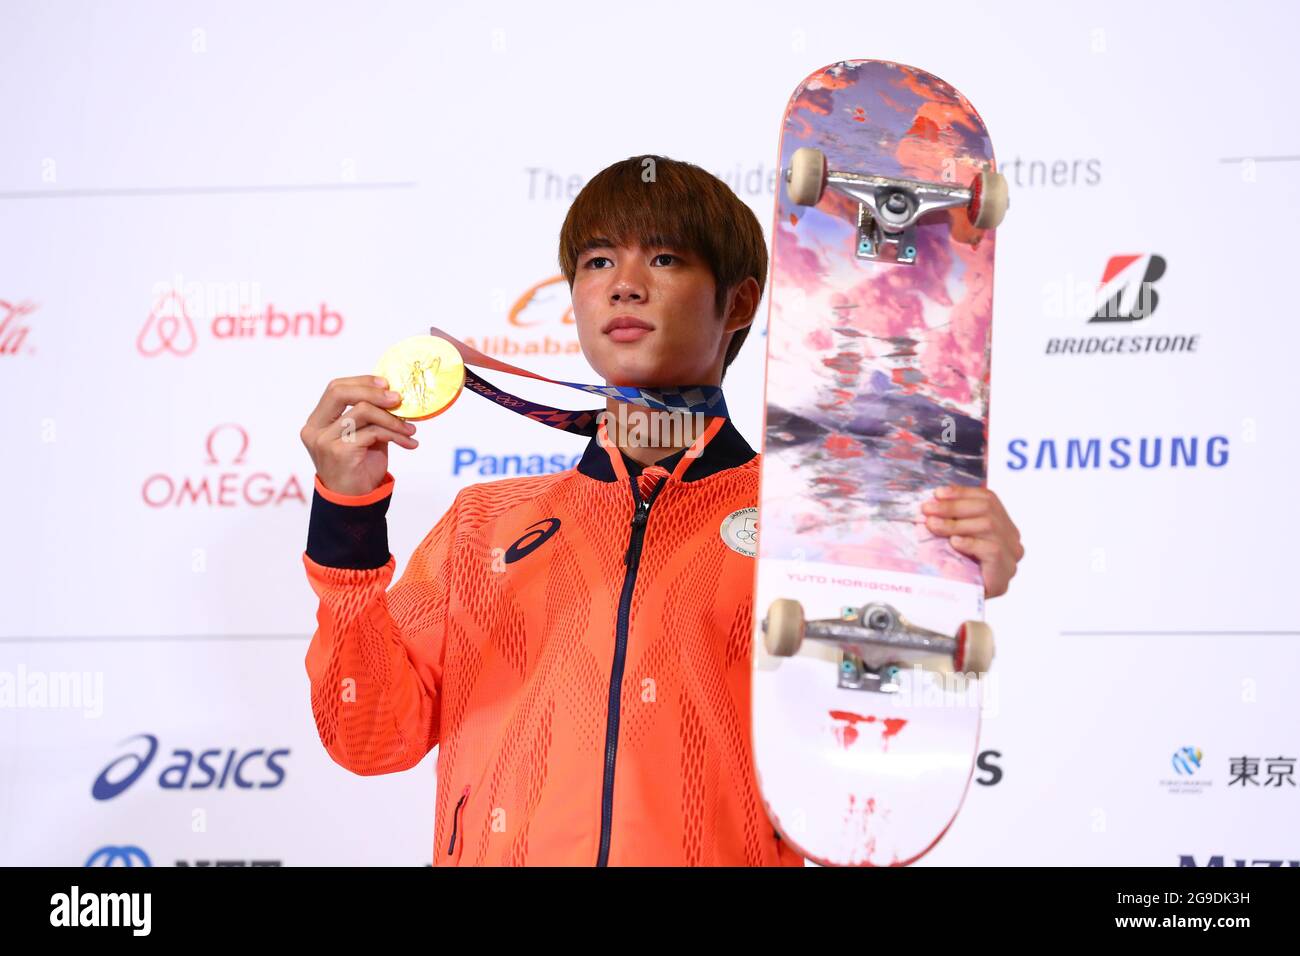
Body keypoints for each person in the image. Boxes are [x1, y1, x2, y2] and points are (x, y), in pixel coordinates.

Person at [298, 155, 1025, 866]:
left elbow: (866, 795)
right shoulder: (483, 524)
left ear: (737, 303)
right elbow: (368, 735)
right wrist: (347, 523)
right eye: (598, 262)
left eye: (667, 259)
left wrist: (937, 586)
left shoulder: (816, 527)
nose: (625, 287)